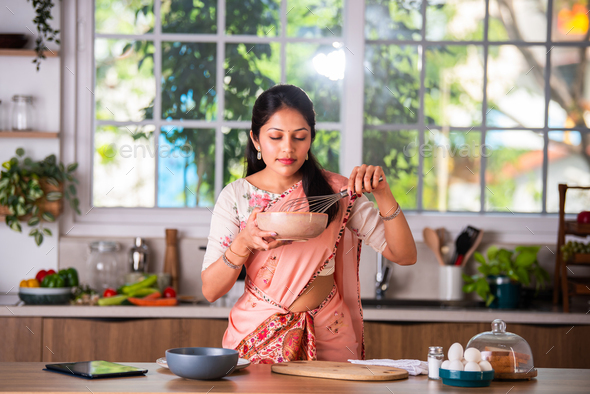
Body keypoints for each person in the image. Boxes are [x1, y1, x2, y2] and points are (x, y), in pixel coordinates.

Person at [201, 84, 416, 363]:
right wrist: (243, 242)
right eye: (275, 137)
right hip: (258, 336)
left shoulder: (336, 192)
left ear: (311, 138)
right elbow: (210, 290)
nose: (287, 148)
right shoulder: (237, 196)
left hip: (330, 334)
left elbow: (405, 255)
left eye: (299, 137)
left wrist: (383, 194)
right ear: (255, 140)